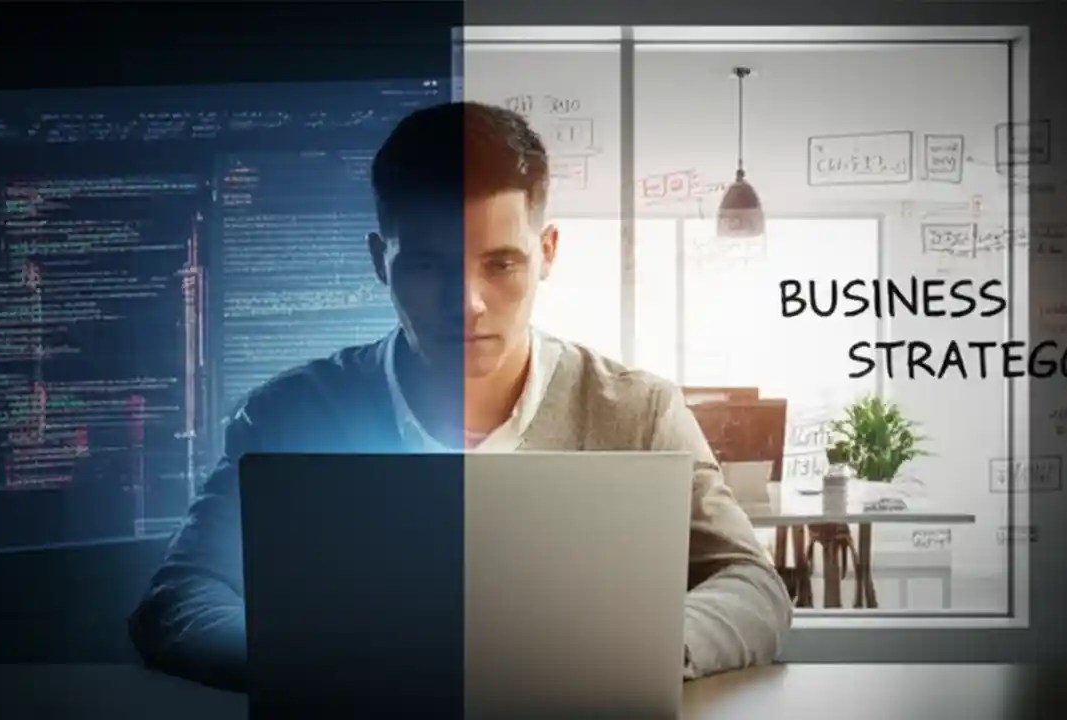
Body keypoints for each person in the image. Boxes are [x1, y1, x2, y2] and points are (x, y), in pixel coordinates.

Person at [128, 100, 793, 692]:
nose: (467, 304)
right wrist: (313, 664)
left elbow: (754, 586)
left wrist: (632, 653)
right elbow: (180, 597)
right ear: (379, 261)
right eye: (426, 266)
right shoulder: (287, 414)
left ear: (548, 252)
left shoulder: (640, 412)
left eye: (501, 264)